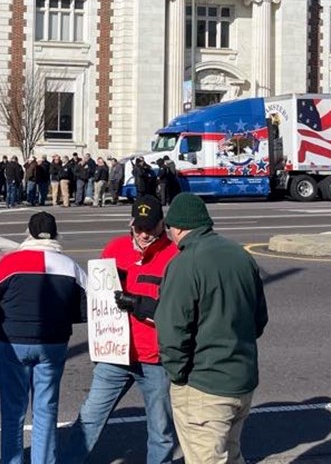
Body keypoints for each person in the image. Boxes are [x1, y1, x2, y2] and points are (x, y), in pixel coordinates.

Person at [60, 196, 179, 464]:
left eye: (151, 228)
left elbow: (179, 311)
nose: (145, 234)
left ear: (163, 225)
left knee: (160, 429)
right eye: (139, 228)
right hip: (115, 354)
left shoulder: (174, 256)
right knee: (89, 417)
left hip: (155, 358)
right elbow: (97, 294)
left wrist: (141, 306)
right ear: (131, 225)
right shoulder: (115, 248)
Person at [156, 192, 267, 464]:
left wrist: (178, 374)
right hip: (242, 379)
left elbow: (171, 330)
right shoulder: (241, 256)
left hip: (204, 385)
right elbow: (259, 320)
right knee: (232, 454)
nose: (168, 234)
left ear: (179, 228)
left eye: (169, 228)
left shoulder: (184, 263)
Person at [0, 212, 87, 464]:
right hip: (53, 343)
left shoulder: (9, 264)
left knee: (12, 412)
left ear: (28, 233)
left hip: (12, 342)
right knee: (46, 409)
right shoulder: (69, 266)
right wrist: (63, 320)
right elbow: (88, 305)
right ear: (56, 235)